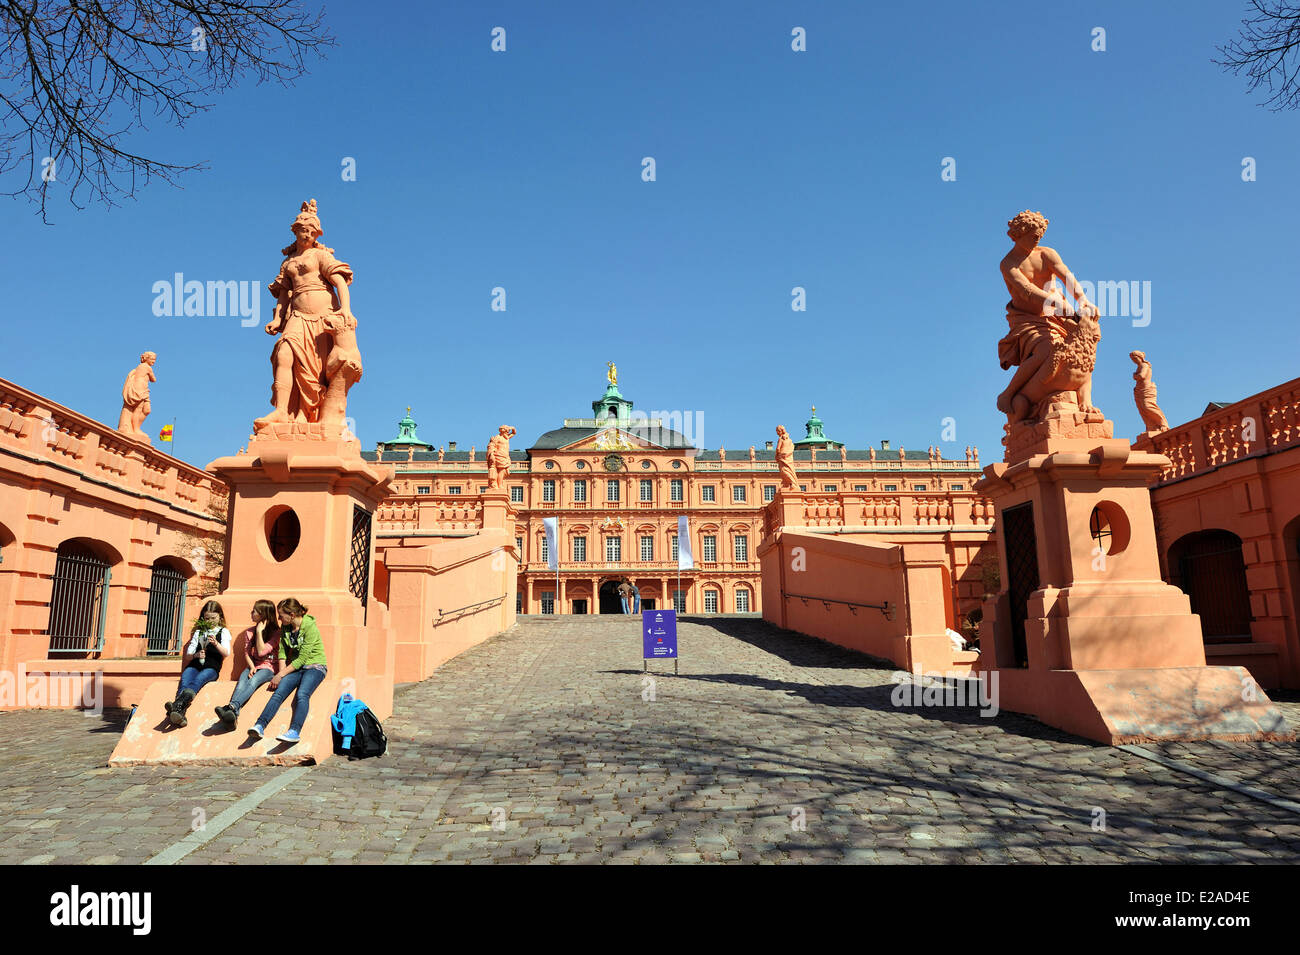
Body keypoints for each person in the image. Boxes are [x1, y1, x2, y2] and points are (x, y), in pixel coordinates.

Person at [248, 598, 328, 745]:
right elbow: (283, 653)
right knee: (279, 693)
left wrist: (280, 675)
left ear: (291, 615)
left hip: (315, 667)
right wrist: (281, 675)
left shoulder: (310, 627)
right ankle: (260, 725)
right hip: (296, 668)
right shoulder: (286, 627)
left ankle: (294, 731)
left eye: (281, 615)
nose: (278, 618)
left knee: (302, 694)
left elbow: (303, 658)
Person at [164, 601, 231, 727]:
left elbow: (226, 653)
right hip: (194, 665)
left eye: (213, 618)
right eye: (207, 618)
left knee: (198, 681)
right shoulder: (198, 632)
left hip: (211, 668)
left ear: (220, 617)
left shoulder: (223, 632)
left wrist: (216, 643)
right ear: (203, 618)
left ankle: (176, 707)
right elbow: (188, 655)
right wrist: (196, 655)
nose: (210, 621)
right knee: (185, 680)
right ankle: (180, 714)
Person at [214, 600, 280, 727]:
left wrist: (260, 631)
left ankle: (231, 706)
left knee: (253, 682)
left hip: (269, 668)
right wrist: (251, 667)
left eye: (254, 611)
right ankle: (233, 715)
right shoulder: (249, 632)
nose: (251, 613)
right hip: (253, 665)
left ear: (263, 614)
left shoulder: (277, 633)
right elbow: (247, 653)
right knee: (240, 684)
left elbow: (261, 652)